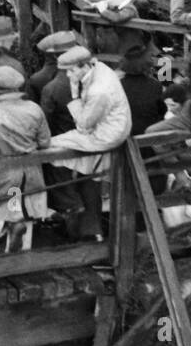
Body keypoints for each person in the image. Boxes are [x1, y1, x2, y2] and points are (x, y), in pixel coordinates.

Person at [47, 46, 132, 243]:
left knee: (48, 149)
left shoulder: (97, 91)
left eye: (70, 71)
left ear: (84, 65)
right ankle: (89, 224)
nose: (68, 75)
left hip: (104, 135)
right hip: (115, 129)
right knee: (91, 177)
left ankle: (66, 206)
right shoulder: (101, 68)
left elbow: (83, 126)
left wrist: (75, 96)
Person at [0, 66, 52, 252]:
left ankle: (11, 225)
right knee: (20, 201)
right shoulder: (35, 109)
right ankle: (20, 234)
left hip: (6, 175)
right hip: (32, 173)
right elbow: (45, 142)